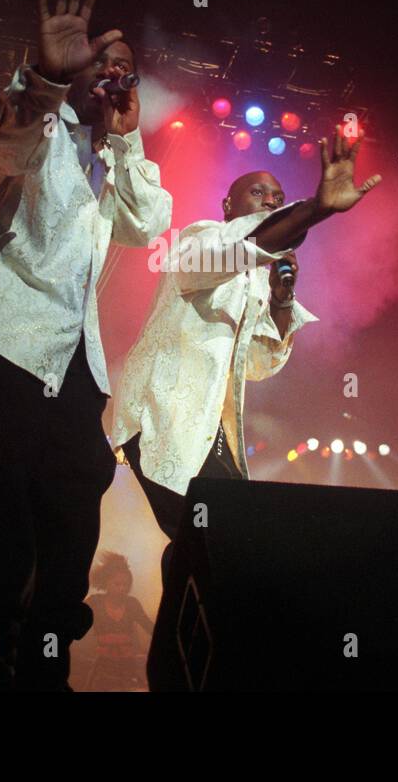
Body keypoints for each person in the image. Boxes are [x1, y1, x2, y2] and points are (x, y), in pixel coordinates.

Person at [0, 0, 173, 691]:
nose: (115, 74)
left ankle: (44, 680)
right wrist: (45, 79)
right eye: (104, 58)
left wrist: (128, 144)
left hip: (72, 363)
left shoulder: (111, 159)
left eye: (125, 67)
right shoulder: (37, 127)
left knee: (68, 537)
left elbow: (147, 222)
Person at [112, 127, 380, 582]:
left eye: (278, 195)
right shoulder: (199, 238)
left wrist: (278, 300)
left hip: (209, 427)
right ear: (229, 206)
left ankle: (195, 641)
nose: (272, 200)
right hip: (163, 412)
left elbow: (258, 365)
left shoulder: (256, 278)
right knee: (221, 538)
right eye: (259, 193)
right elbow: (234, 250)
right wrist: (313, 210)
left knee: (219, 545)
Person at [78, 552, 154, 691]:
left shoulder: (132, 604)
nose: (122, 588)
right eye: (117, 584)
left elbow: (151, 628)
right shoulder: (95, 602)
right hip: (102, 668)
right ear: (106, 582)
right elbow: (75, 623)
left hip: (128, 667)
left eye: (125, 584)